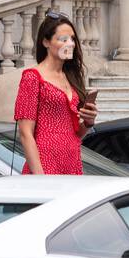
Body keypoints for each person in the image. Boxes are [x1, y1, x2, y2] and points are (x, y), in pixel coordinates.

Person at [14, 11, 98, 175]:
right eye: (63, 39)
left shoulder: (71, 78)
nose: (70, 44)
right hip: (44, 162)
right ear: (46, 42)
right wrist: (41, 178)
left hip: (71, 160)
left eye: (72, 39)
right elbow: (25, 133)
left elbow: (75, 133)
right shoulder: (32, 77)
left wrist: (88, 122)